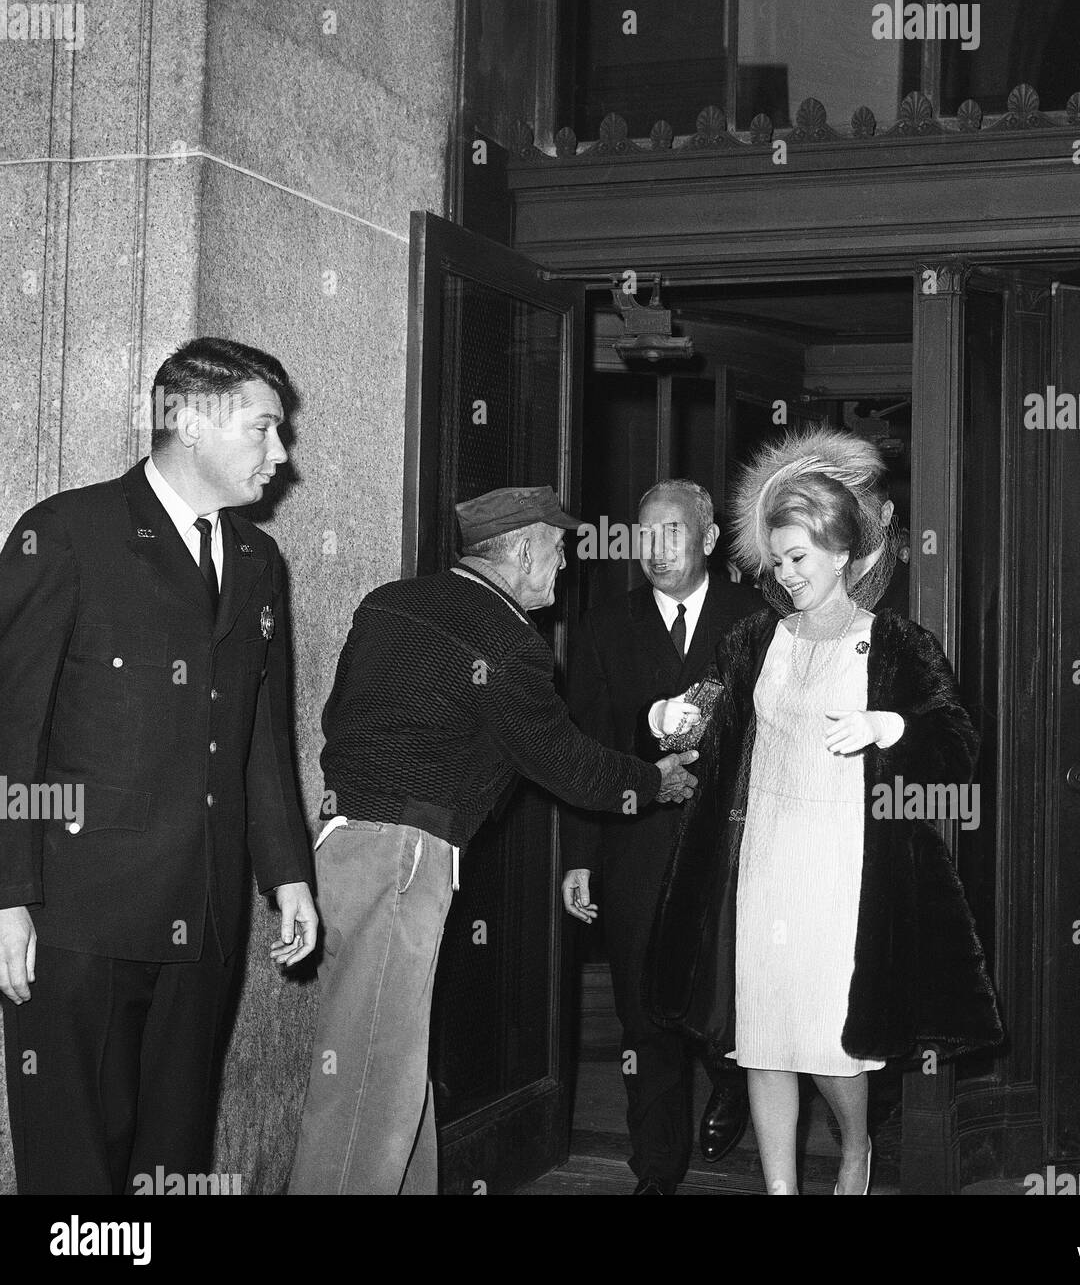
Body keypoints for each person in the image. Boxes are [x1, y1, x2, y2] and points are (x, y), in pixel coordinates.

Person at [288, 486, 699, 1196]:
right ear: (521, 550)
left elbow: (338, 714)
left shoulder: (389, 602)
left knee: (392, 1062)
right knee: (366, 1082)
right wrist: (654, 780)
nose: (567, 564)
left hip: (338, 842)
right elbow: (568, 763)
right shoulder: (508, 643)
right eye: (559, 547)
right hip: (402, 858)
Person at [642, 427, 1002, 1195]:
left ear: (843, 552)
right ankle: (780, 1190)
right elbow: (706, 715)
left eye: (800, 558)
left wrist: (890, 726)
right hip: (764, 857)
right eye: (777, 562)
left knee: (833, 1041)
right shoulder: (753, 641)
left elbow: (958, 743)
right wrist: (667, 716)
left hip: (847, 865)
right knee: (764, 1037)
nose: (787, 575)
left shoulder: (897, 644)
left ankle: (853, 1149)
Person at [0, 338, 317, 1195]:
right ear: (187, 419)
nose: (280, 455)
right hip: (79, 917)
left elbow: (259, 736)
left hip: (204, 913)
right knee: (77, 1167)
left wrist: (287, 873)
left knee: (171, 1157)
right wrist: (7, 897)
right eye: (263, 429)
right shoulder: (67, 534)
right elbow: (11, 730)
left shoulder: (256, 562)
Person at [561, 479, 763, 1194]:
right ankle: (655, 1169)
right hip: (637, 846)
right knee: (644, 1014)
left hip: (733, 847)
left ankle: (733, 1077)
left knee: (726, 996)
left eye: (671, 533)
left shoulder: (757, 619)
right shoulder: (602, 627)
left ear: (708, 539)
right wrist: (581, 859)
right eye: (643, 536)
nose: (655, 549)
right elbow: (584, 746)